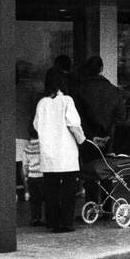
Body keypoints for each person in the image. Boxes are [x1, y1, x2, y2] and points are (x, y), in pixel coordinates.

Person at [33, 67, 85, 232]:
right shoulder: (67, 101)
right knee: (69, 191)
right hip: (66, 152)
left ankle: (52, 221)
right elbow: (74, 124)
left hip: (49, 153)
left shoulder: (42, 103)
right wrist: (82, 140)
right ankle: (66, 222)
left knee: (51, 190)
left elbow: (35, 125)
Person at [22, 127, 45, 226]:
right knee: (46, 197)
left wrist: (26, 176)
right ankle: (48, 218)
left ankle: (35, 218)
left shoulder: (27, 147)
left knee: (34, 200)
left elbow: (25, 165)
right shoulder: (43, 145)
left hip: (32, 176)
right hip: (42, 175)